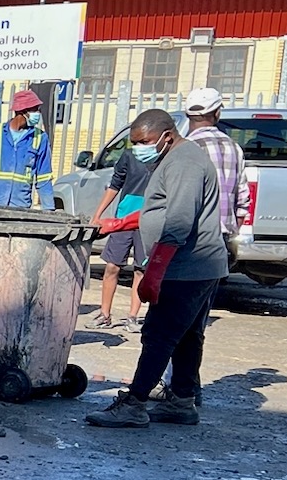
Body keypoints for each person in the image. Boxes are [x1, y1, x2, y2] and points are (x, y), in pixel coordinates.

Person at [87, 109, 228, 429]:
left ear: (166, 136)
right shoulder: (171, 160)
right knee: (187, 336)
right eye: (134, 143)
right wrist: (121, 223)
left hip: (188, 264)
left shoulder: (184, 163)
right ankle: (182, 401)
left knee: (159, 334)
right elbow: (159, 210)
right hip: (197, 264)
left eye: (144, 142)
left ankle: (134, 403)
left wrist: (154, 271)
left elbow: (178, 222)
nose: (138, 148)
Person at [89, 141, 158, 331]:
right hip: (123, 218)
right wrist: (98, 215)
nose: (139, 145)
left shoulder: (164, 158)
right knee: (112, 266)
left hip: (149, 221)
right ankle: (105, 314)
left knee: (140, 269)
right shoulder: (128, 156)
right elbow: (114, 185)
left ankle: (133, 317)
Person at [180, 87, 249, 257]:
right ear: (217, 113)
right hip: (223, 236)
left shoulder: (185, 147)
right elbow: (243, 198)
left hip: (192, 235)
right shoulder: (234, 147)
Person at [0, 88, 54, 209]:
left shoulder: (40, 138)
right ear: (22, 111)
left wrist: (49, 209)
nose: (38, 114)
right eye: (35, 110)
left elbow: (44, 178)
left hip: (20, 206)